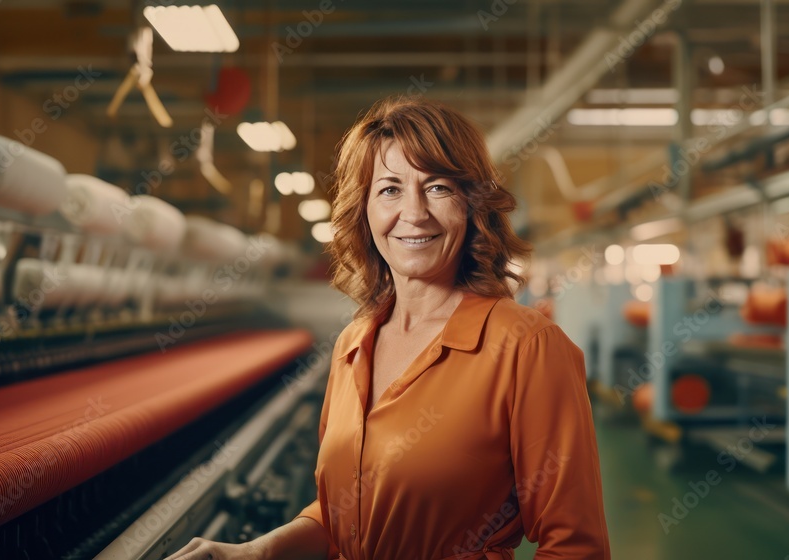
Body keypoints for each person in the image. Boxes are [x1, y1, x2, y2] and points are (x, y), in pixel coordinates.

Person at [166, 96, 609, 560]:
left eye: (438, 188)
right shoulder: (353, 344)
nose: (413, 213)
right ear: (365, 211)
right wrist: (256, 552)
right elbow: (345, 515)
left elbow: (576, 545)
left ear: (473, 204)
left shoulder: (525, 348)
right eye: (390, 189)